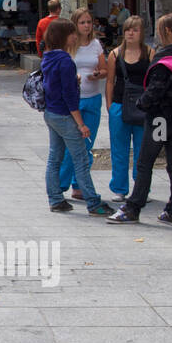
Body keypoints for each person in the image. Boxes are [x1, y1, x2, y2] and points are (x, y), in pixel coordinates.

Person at [108, 14, 172, 225]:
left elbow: (154, 92)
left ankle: (133, 207)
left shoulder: (164, 61)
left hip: (161, 119)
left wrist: (141, 104)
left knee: (145, 162)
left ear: (166, 31)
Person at [40, 18, 111, 216]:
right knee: (80, 158)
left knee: (55, 158)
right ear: (64, 36)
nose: (74, 36)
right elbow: (70, 97)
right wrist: (81, 124)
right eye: (72, 33)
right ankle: (93, 202)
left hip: (51, 112)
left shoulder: (48, 57)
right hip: (64, 115)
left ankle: (55, 199)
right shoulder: (65, 61)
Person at [59, 7, 108, 200]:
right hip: (73, 101)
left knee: (87, 145)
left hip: (93, 98)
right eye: (82, 22)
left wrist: (98, 74)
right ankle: (60, 184)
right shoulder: (69, 45)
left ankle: (78, 186)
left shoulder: (96, 45)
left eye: (89, 22)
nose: (87, 26)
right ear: (75, 25)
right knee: (71, 145)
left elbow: (105, 70)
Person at [104, 16, 151, 201]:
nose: (131, 33)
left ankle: (140, 188)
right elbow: (109, 81)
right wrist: (109, 106)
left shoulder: (150, 53)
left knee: (142, 149)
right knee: (119, 149)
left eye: (135, 30)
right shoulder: (115, 54)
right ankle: (119, 188)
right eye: (127, 30)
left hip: (142, 107)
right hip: (119, 105)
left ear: (141, 33)